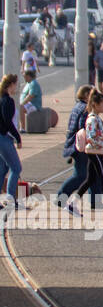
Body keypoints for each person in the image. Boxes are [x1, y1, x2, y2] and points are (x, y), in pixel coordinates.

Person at [57, 85, 94, 217]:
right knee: (81, 175)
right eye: (91, 94)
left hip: (73, 144)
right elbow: (82, 128)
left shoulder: (77, 106)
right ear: (85, 95)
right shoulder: (85, 109)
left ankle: (95, 199)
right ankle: (61, 197)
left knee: (91, 173)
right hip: (79, 146)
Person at [0, 74, 23, 208]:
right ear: (11, 85)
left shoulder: (2, 99)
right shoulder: (8, 101)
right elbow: (8, 122)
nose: (17, 87)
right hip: (4, 138)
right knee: (16, 167)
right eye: (16, 84)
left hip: (1, 137)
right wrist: (18, 137)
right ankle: (10, 199)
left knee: (3, 169)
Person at [18, 69, 42, 133]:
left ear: (28, 76)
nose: (24, 79)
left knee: (21, 108)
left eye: (24, 77)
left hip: (34, 105)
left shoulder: (33, 83)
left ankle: (22, 128)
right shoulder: (29, 83)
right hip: (30, 104)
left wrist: (22, 104)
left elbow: (30, 96)